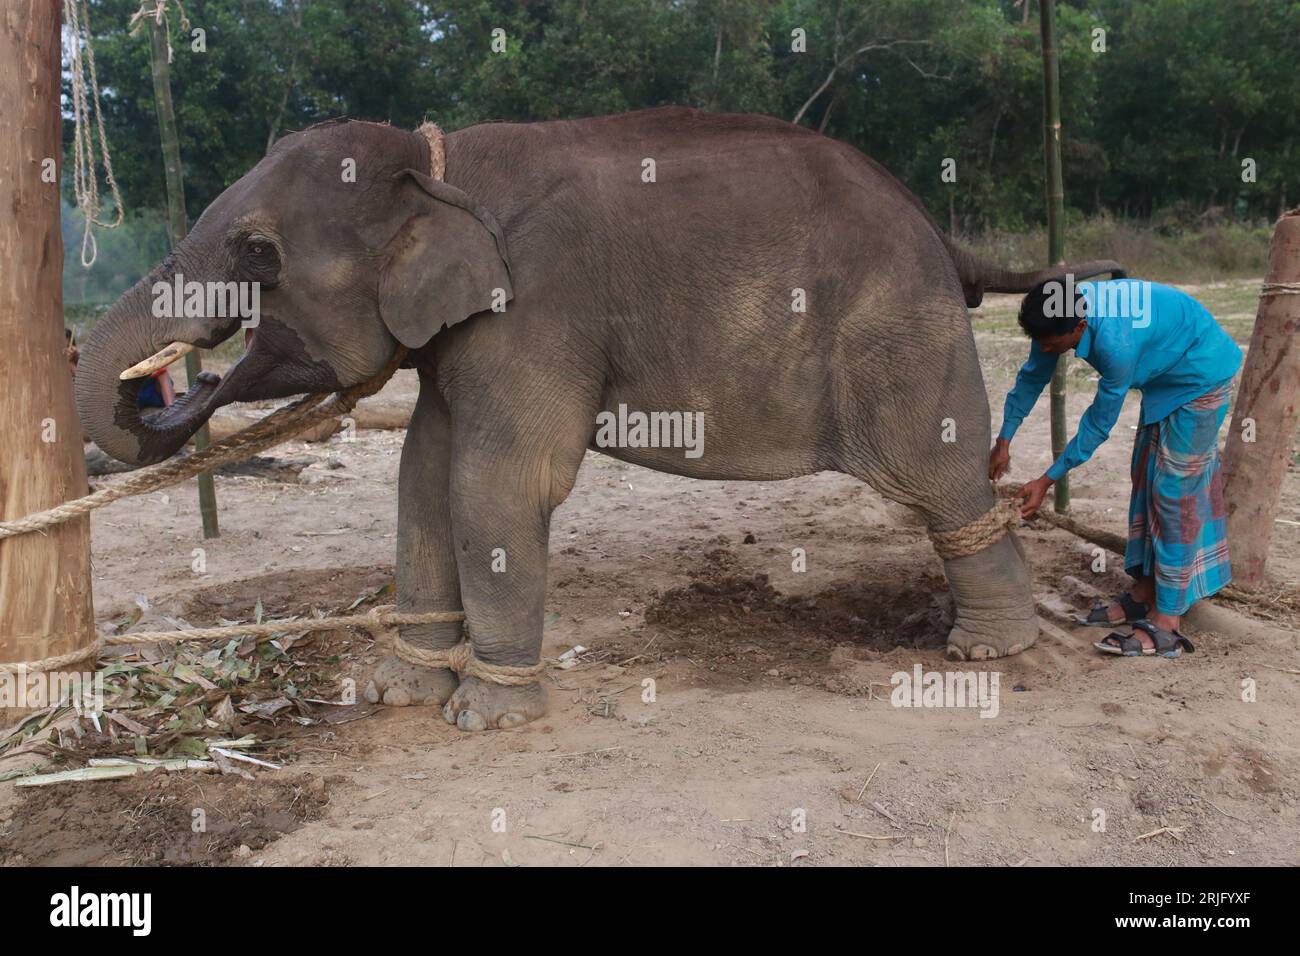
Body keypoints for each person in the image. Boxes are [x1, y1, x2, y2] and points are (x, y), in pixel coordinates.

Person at [990, 277, 1242, 658]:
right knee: (1144, 477)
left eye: (1051, 345)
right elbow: (1032, 376)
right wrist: (1004, 440)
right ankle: (1143, 593)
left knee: (1173, 495)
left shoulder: (1116, 344)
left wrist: (1047, 480)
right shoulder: (1060, 312)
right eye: (1039, 342)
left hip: (1200, 376)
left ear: (1079, 328)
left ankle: (1168, 621)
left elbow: (1097, 424)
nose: (1044, 350)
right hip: (1163, 378)